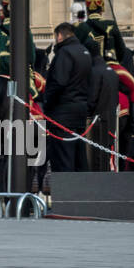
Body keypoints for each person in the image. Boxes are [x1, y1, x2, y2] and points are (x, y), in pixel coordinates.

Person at [74, 0, 134, 131]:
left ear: (87, 8)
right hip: (112, 66)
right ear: (101, 8)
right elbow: (123, 52)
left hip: (88, 68)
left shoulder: (80, 28)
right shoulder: (110, 25)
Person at [42, 22, 92, 176]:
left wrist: (47, 102)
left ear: (59, 36)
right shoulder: (84, 51)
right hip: (80, 112)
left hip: (62, 113)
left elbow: (59, 82)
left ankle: (65, 199)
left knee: (63, 161)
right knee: (78, 159)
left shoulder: (64, 53)